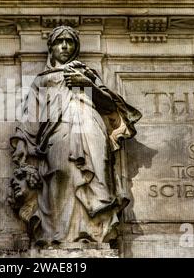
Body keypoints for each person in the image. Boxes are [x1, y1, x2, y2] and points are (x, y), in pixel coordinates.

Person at [9, 25, 141, 246]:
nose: (64, 46)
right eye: (60, 42)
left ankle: (93, 231)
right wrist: (23, 142)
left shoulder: (86, 74)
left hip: (90, 125)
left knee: (96, 172)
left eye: (70, 42)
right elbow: (31, 115)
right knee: (60, 173)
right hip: (57, 130)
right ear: (51, 48)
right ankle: (60, 236)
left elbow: (109, 106)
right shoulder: (43, 79)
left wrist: (88, 85)